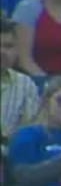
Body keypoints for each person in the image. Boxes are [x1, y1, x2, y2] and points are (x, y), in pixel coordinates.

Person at [0, 17, 39, 145]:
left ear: (16, 50)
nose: (2, 51)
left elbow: (29, 134)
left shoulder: (26, 85)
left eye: (8, 46)